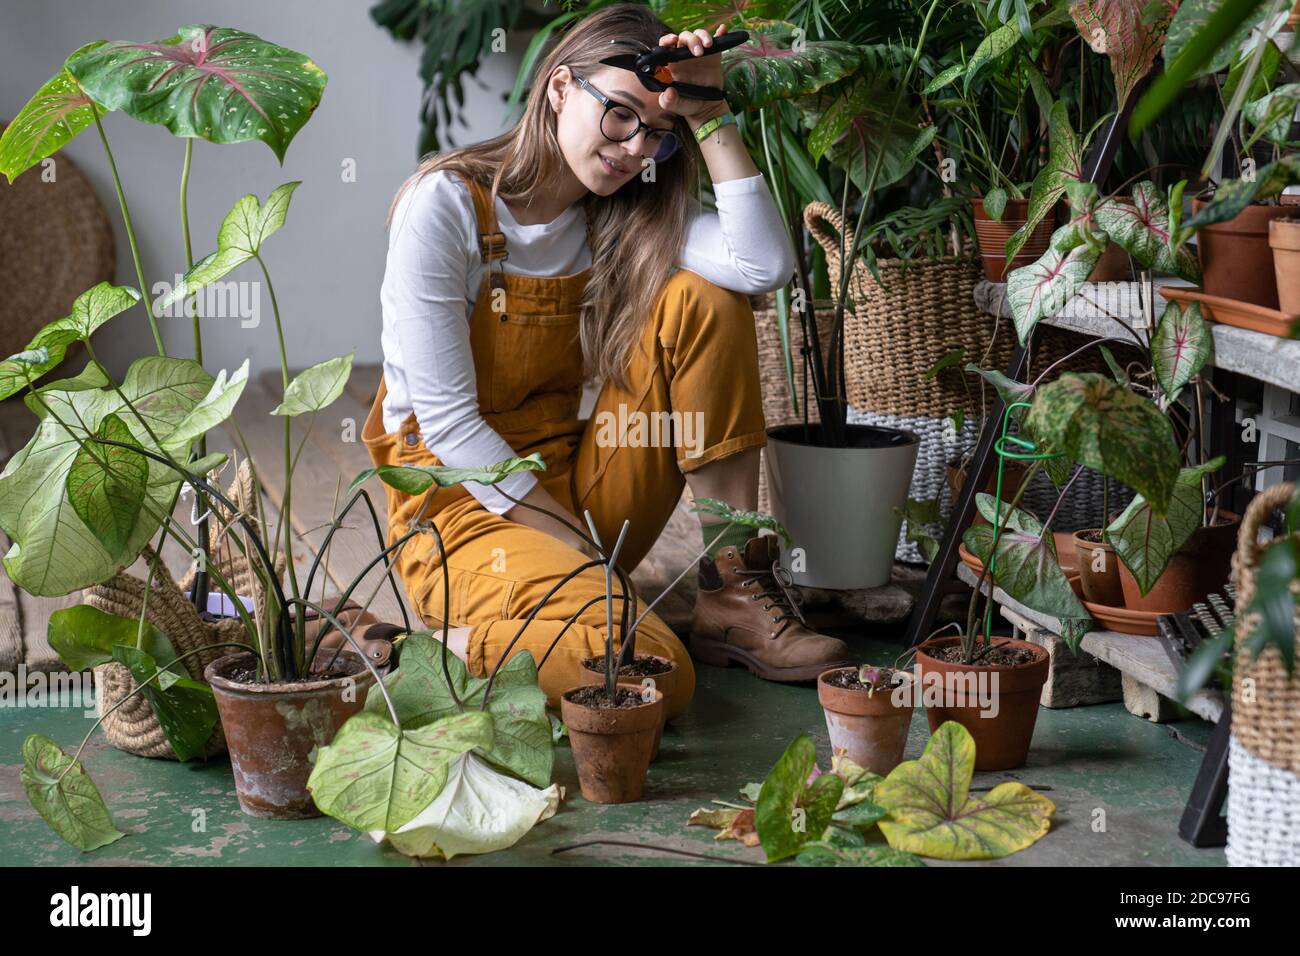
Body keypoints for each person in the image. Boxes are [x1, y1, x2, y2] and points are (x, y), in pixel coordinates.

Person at [362, 3, 854, 720]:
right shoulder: (447, 205)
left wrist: (710, 109)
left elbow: (763, 265)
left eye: (658, 133)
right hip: (463, 513)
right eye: (620, 114)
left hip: (574, 488)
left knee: (703, 301)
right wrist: (588, 559)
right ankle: (387, 650)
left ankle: (730, 588)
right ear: (560, 87)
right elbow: (448, 426)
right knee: (651, 672)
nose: (633, 150)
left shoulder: (623, 213)